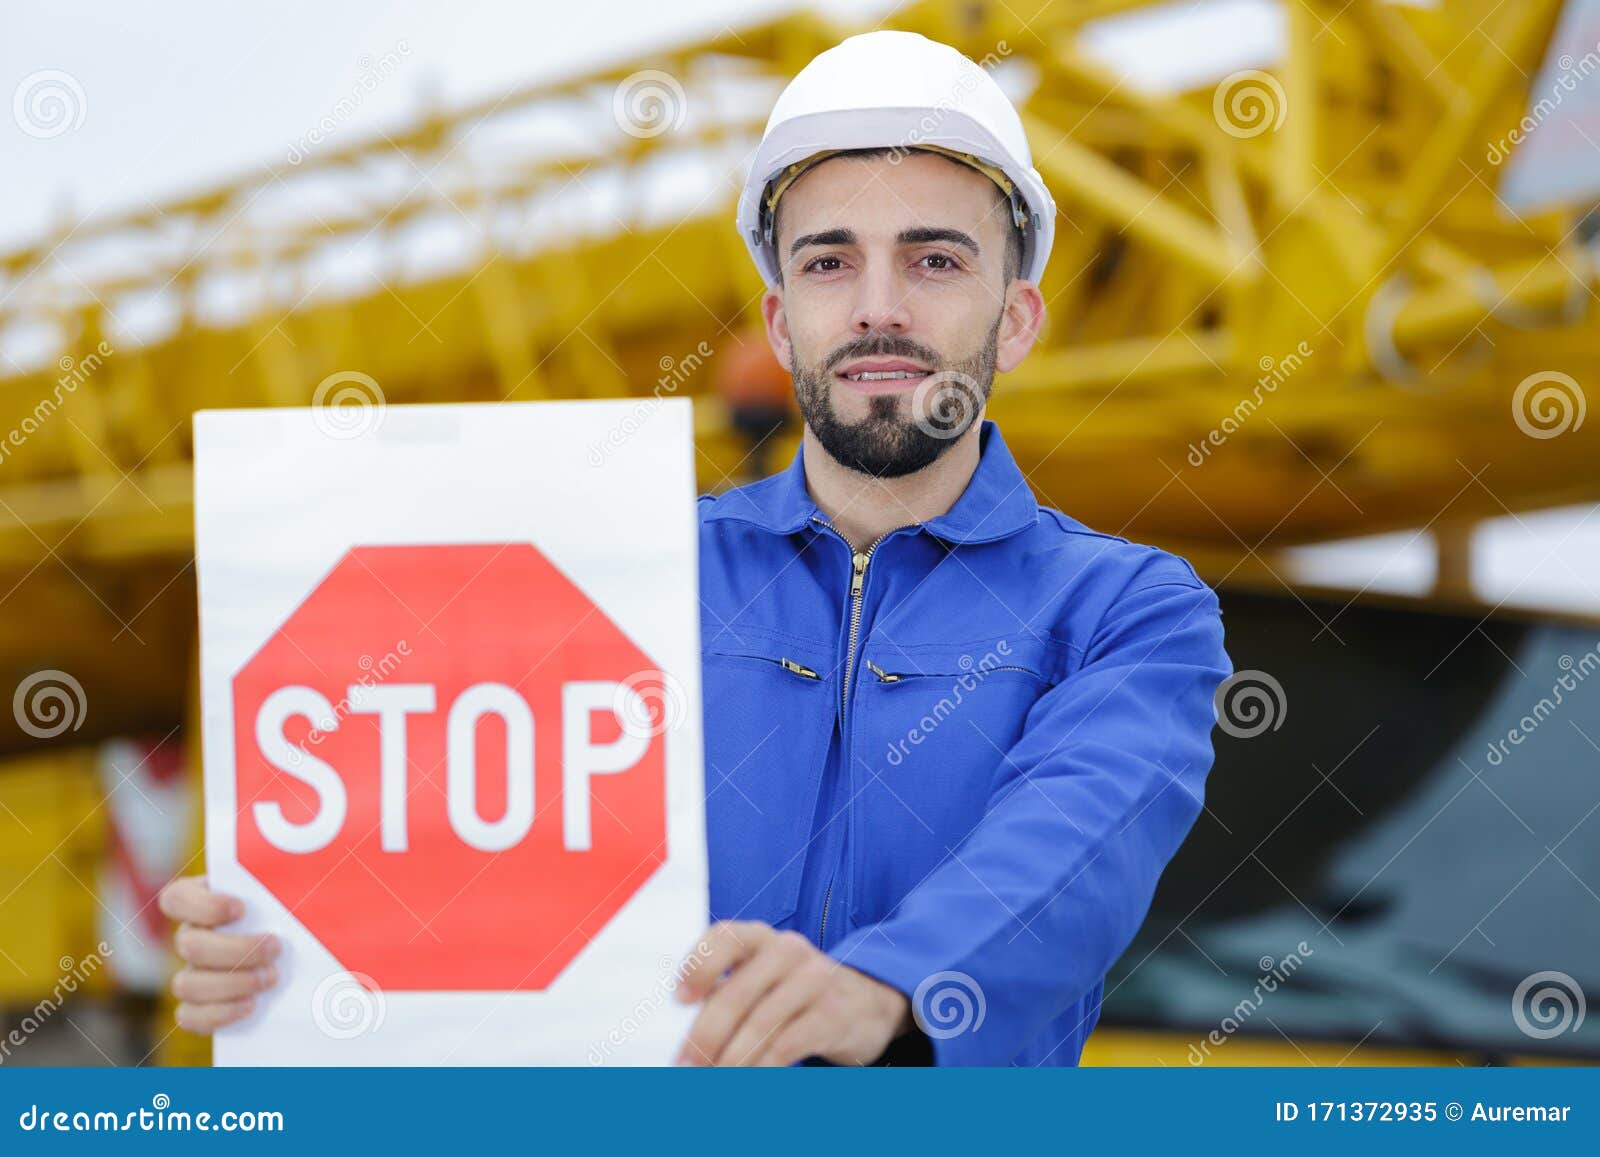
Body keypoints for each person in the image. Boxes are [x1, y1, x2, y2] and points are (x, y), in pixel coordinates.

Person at [159, 29, 1231, 1067]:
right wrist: (278, 946)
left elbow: (1073, 848)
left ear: (1015, 319)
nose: (876, 309)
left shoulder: (1125, 612)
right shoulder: (626, 568)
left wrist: (887, 984)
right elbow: (451, 858)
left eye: (935, 259)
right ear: (777, 322)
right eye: (828, 263)